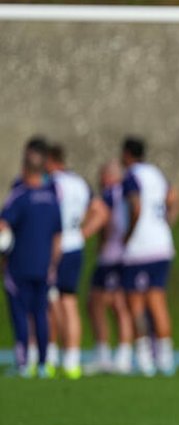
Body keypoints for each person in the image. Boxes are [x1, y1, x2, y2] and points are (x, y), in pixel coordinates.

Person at [45, 143, 109, 379]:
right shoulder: (79, 182)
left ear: (50, 161)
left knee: (51, 302)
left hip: (56, 246)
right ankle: (71, 361)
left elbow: (50, 219)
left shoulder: (52, 184)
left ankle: (49, 357)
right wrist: (82, 234)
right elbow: (101, 212)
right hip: (75, 246)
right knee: (69, 303)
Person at [1, 137, 62, 378]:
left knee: (20, 314)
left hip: (19, 266)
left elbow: (3, 227)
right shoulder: (51, 198)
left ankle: (24, 363)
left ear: (24, 168)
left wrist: (3, 256)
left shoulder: (19, 196)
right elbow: (58, 237)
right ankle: (45, 363)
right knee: (40, 314)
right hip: (43, 267)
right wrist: (53, 264)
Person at [120, 136, 179, 377]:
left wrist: (128, 235)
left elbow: (135, 207)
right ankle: (166, 358)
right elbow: (174, 198)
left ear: (126, 154)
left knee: (137, 305)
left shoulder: (132, 175)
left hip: (141, 247)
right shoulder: (156, 173)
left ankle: (145, 359)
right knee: (158, 302)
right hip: (162, 244)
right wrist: (166, 224)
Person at [85, 160, 134, 375]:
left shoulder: (111, 193)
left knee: (98, 303)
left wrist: (83, 235)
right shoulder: (128, 191)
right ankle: (122, 354)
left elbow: (104, 217)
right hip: (126, 255)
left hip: (113, 256)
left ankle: (105, 353)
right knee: (119, 305)